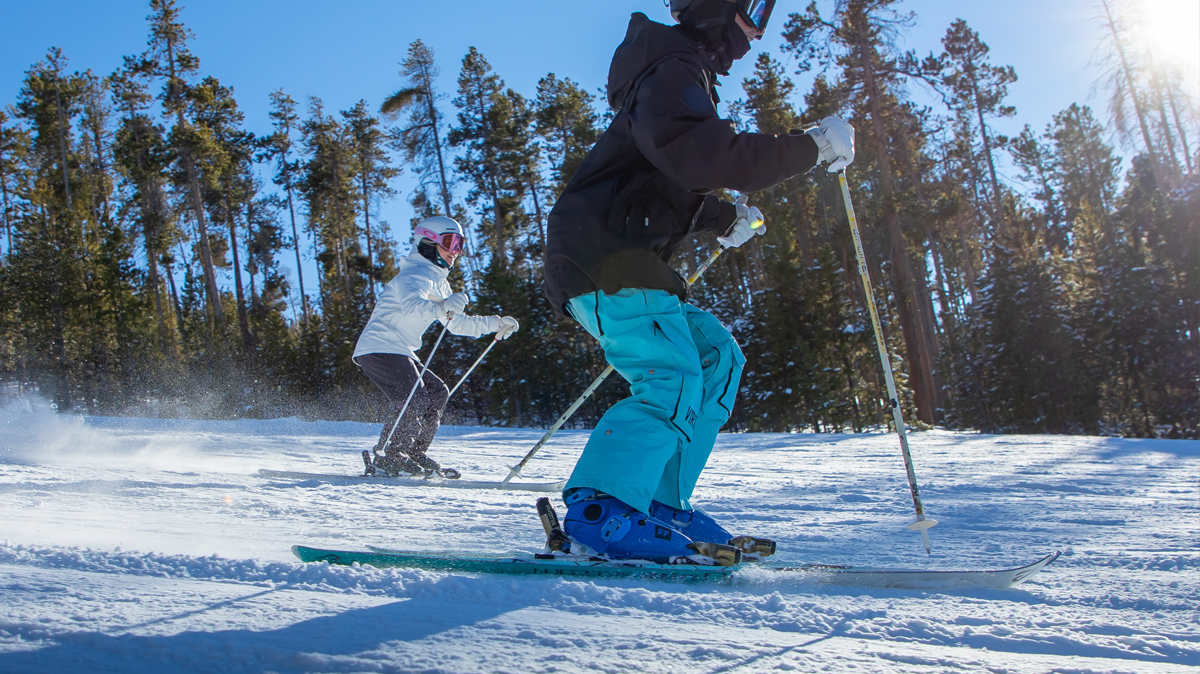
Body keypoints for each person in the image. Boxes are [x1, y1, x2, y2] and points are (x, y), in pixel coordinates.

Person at [542, 0, 855, 563]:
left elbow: (663, 181)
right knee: (672, 375)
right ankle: (603, 508)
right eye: (753, 8)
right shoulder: (670, 68)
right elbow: (700, 156)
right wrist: (809, 146)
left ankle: (657, 502)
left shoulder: (675, 72)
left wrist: (722, 217)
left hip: (625, 259)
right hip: (604, 260)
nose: (757, 29)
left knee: (715, 359)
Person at [355, 216, 519, 478]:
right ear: (428, 242)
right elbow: (413, 307)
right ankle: (390, 456)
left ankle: (413, 452)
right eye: (450, 242)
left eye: (459, 245)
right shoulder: (412, 275)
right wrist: (441, 306)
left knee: (437, 392)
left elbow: (457, 324)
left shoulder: (439, 282)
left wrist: (495, 324)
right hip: (379, 346)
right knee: (415, 397)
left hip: (401, 350)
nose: (456, 252)